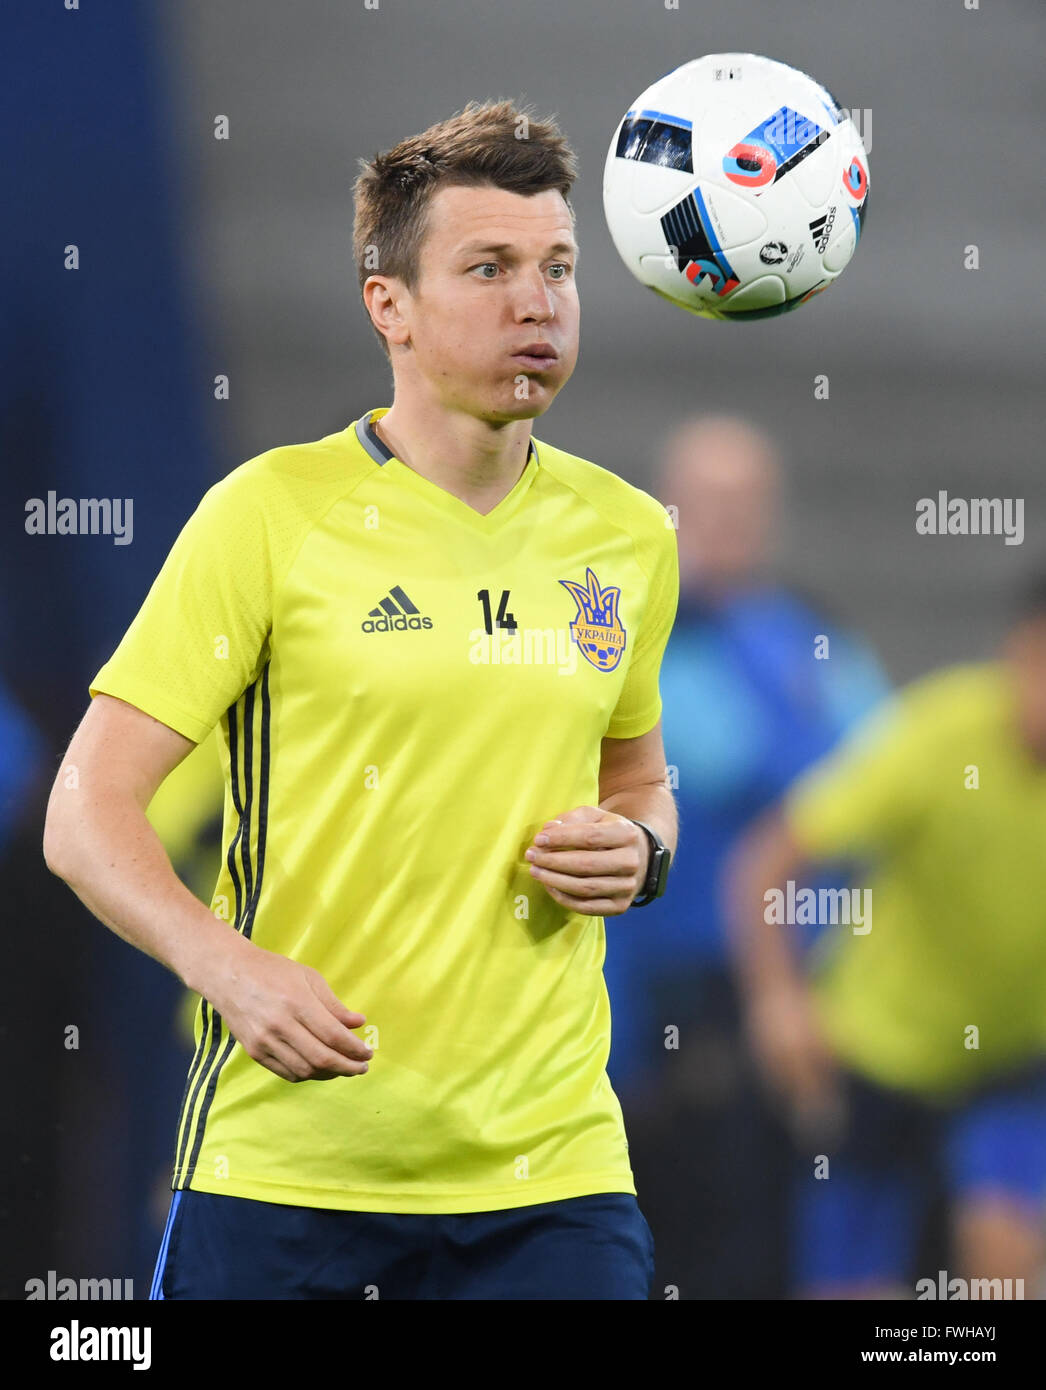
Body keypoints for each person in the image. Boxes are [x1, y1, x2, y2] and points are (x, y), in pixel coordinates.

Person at [42, 98, 679, 1301]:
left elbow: (639, 778)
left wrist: (640, 846)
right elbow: (84, 813)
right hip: (294, 1170)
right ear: (387, 303)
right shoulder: (270, 515)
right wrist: (226, 967)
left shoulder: (630, 535)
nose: (534, 301)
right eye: (486, 268)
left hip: (553, 1174)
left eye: (556, 268)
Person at [601, 416, 888, 1297]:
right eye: (709, 498)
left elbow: (883, 763)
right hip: (655, 1001)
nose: (730, 517)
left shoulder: (803, 633)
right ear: (667, 508)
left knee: (766, 1242)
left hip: (786, 1004)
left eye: (749, 499)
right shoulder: (620, 635)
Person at [727, 577, 1046, 1298]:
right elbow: (769, 859)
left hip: (1010, 1057)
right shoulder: (940, 734)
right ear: (1021, 654)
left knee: (1005, 1267)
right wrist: (778, 1002)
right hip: (877, 1051)